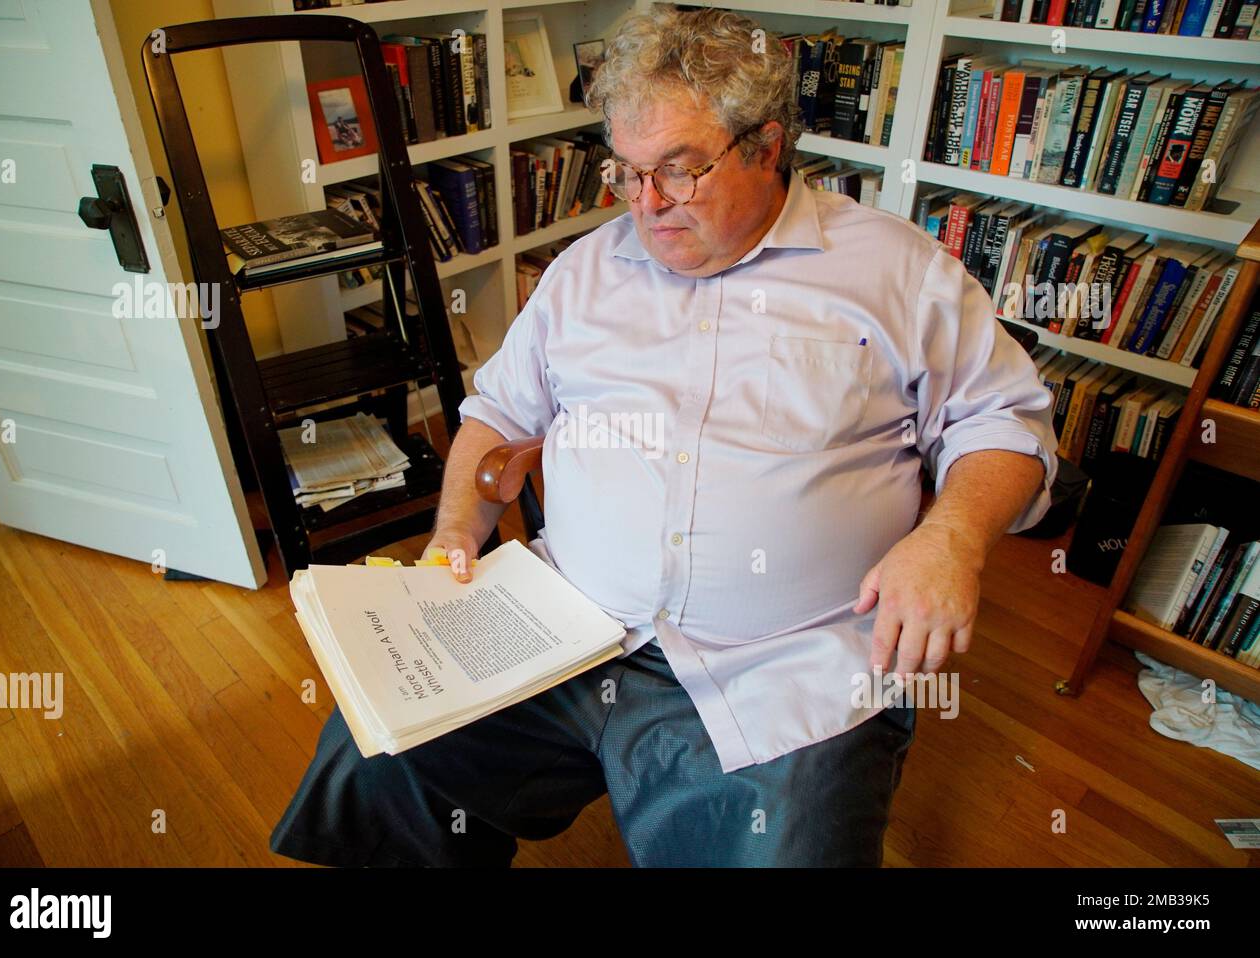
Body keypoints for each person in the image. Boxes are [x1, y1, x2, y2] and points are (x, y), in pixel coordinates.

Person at [271, 5, 1058, 868]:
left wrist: (952, 538)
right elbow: (495, 413)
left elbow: (1005, 418)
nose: (645, 204)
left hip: (785, 667)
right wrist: (455, 532)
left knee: (787, 851)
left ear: (766, 146)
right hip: (561, 626)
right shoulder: (584, 273)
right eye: (627, 171)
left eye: (679, 171)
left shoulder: (897, 271)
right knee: (375, 753)